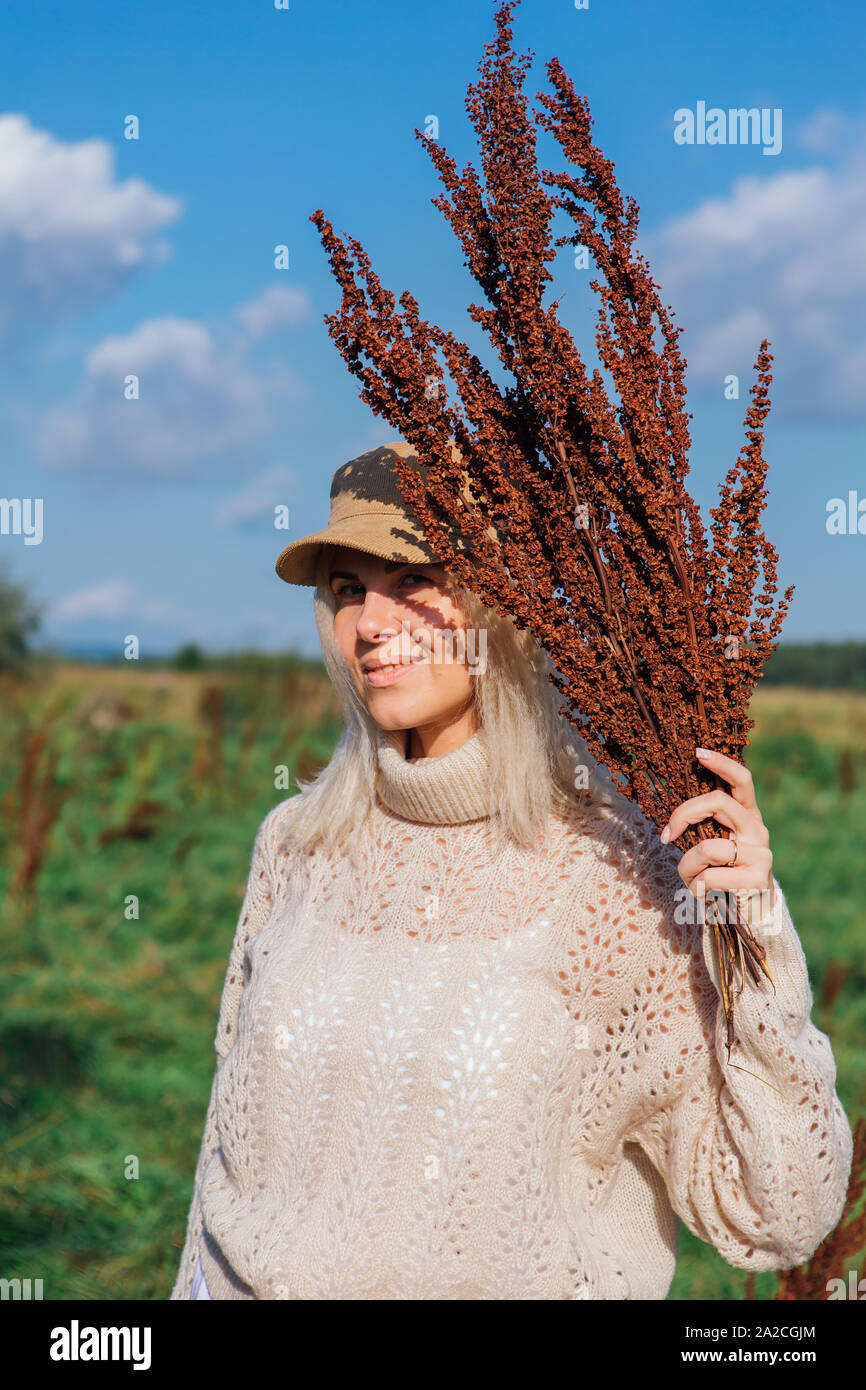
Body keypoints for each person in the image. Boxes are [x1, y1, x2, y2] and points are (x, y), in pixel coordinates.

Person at [171, 440, 853, 1301]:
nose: (372, 625)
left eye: (413, 578)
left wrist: (751, 934)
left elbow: (777, 1213)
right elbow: (229, 1151)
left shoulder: (624, 873)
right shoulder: (298, 843)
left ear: (509, 600)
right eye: (348, 590)